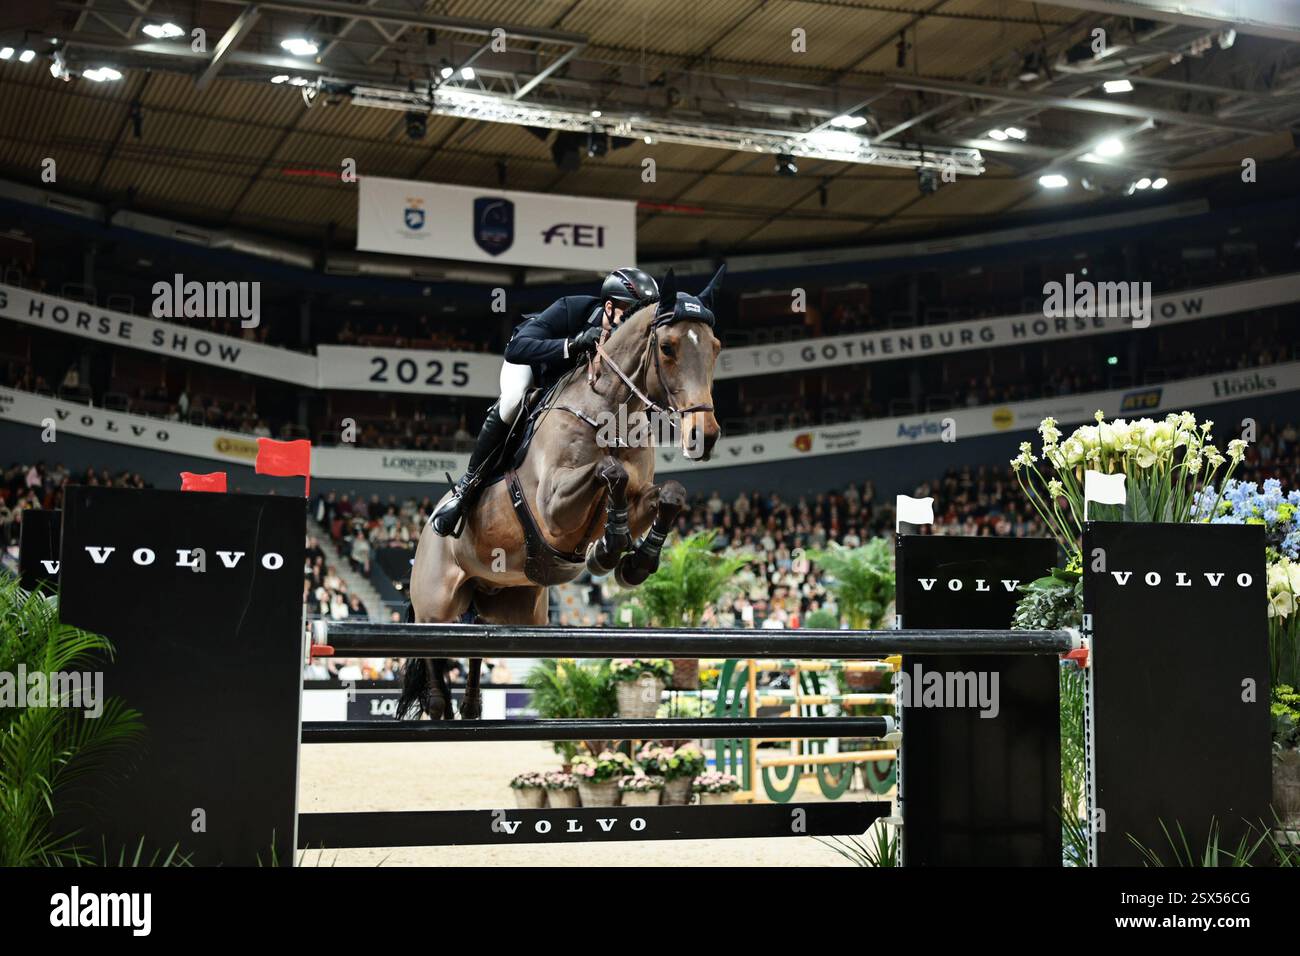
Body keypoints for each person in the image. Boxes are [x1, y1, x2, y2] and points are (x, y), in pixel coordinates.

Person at [430, 267, 661, 537]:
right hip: (532, 366)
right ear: (609, 307)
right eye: (631, 313)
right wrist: (572, 344)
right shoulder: (572, 308)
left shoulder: (632, 344)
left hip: (571, 391)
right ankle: (466, 489)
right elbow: (516, 349)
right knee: (513, 401)